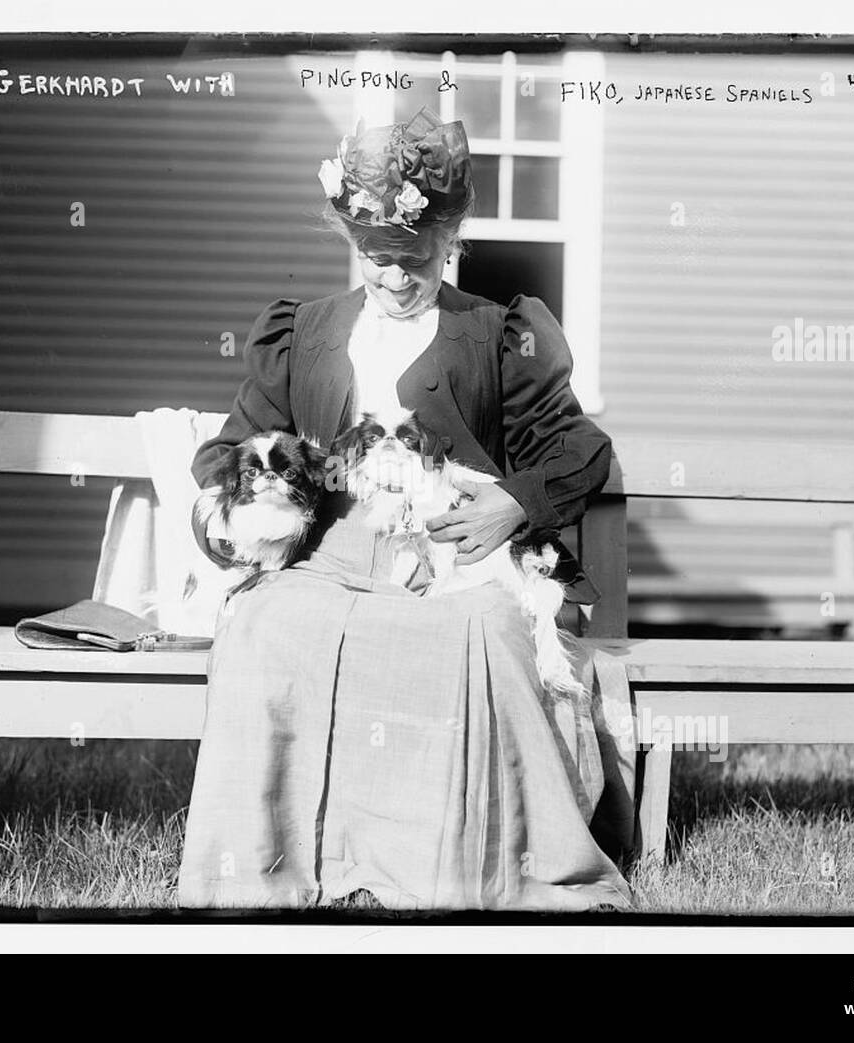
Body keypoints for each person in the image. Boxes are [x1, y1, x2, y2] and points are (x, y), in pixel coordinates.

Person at [177, 107, 631, 911]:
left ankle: (462, 868)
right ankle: (263, 869)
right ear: (350, 243)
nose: (392, 277)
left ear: (449, 236)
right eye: (375, 257)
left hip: (456, 561)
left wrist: (509, 505)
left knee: (484, 636)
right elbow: (225, 450)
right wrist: (254, 501)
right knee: (263, 626)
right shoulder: (306, 334)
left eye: (414, 258)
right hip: (326, 557)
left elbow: (581, 449)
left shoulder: (493, 335)